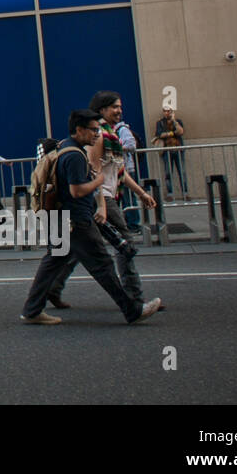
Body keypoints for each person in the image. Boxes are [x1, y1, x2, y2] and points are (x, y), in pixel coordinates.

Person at [20, 109, 162, 325]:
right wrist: (98, 181)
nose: (98, 134)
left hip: (61, 217)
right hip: (76, 220)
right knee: (102, 265)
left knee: (54, 261)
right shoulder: (75, 156)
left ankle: (32, 310)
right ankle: (132, 310)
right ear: (79, 130)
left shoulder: (64, 147)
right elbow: (77, 191)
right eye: (94, 130)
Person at [48, 91, 159, 311]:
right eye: (114, 107)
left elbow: (118, 170)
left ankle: (52, 287)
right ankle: (134, 299)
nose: (119, 111)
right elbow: (94, 171)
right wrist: (101, 206)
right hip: (103, 199)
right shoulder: (99, 137)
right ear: (102, 110)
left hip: (104, 198)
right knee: (124, 244)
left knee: (77, 248)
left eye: (120, 107)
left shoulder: (110, 135)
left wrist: (141, 193)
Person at [152, 108, 187, 197]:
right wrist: (173, 133)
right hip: (167, 150)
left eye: (169, 111)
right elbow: (160, 134)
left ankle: (185, 193)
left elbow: (181, 131)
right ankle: (170, 193)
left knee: (182, 172)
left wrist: (174, 120)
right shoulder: (160, 123)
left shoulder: (178, 121)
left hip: (178, 149)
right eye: (165, 111)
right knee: (168, 173)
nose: (167, 113)